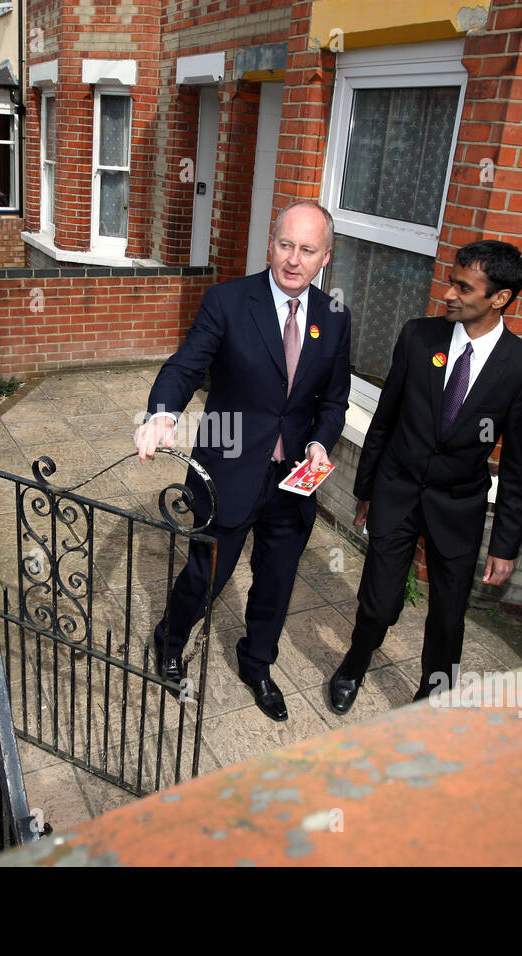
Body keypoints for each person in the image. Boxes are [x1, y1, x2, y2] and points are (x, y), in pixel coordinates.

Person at [135, 200, 351, 722]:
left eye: (307, 250)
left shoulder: (335, 317)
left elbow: (335, 400)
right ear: (270, 243)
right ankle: (170, 640)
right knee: (206, 574)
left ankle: (256, 662)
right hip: (227, 468)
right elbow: (186, 365)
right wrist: (163, 414)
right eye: (285, 245)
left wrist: (321, 443)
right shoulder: (228, 301)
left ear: (326, 256)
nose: (293, 260)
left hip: (294, 478)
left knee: (276, 580)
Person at [328, 240, 522, 714]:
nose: (449, 293)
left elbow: (517, 466)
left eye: (463, 287)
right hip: (398, 492)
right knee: (379, 601)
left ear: (499, 298)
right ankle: (355, 660)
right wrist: (366, 489)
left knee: (448, 616)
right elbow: (384, 419)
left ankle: (432, 693)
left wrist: (506, 544)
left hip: (458, 508)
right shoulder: (418, 337)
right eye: (451, 281)